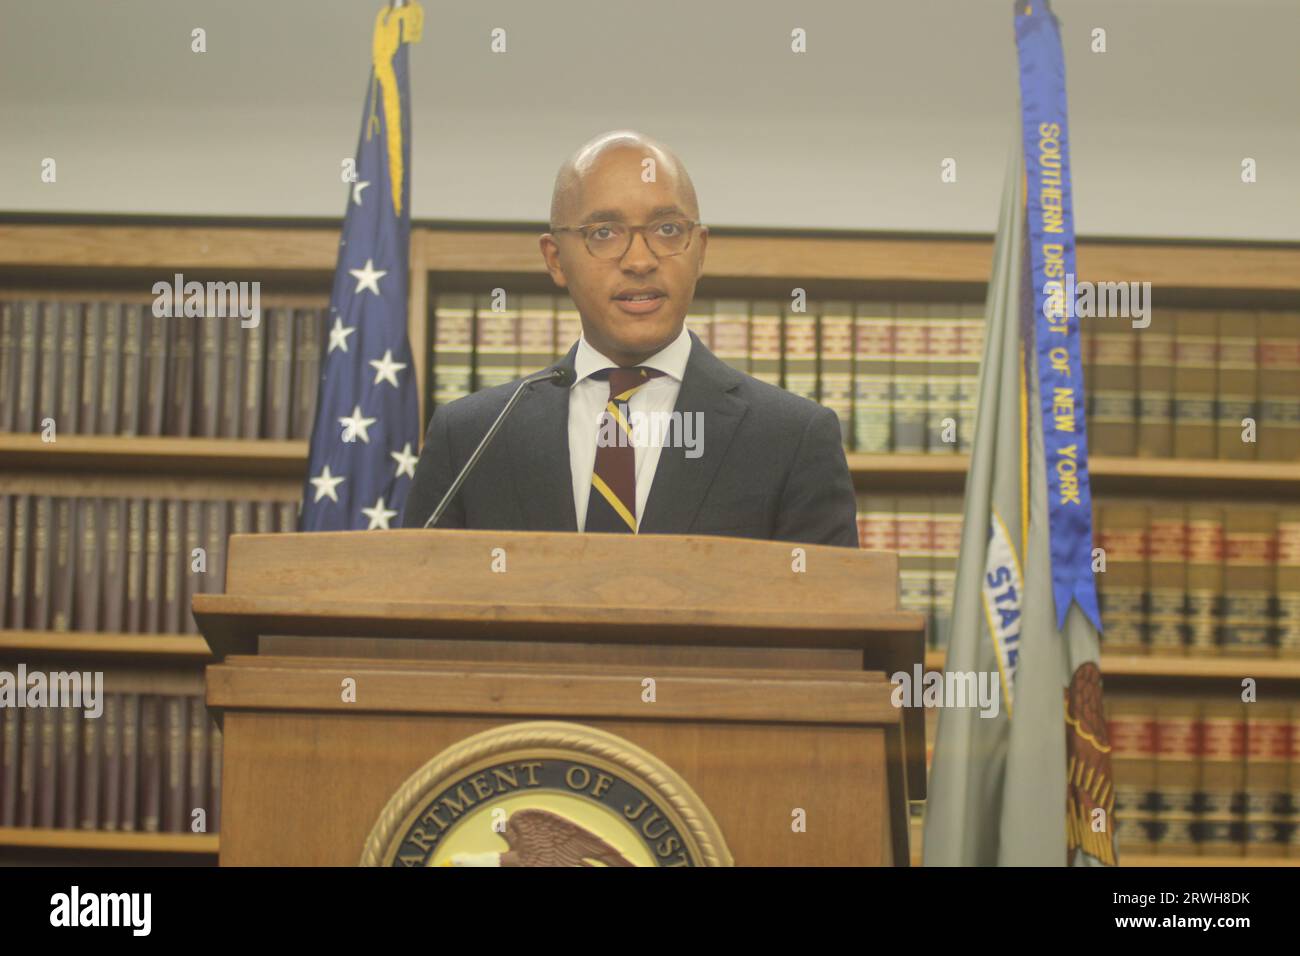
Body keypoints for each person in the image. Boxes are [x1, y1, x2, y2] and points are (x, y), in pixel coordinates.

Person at [402, 130, 858, 547]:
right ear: (555, 259)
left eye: (666, 230)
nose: (640, 260)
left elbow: (832, 626)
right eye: (603, 233)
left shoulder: (792, 438)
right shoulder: (470, 438)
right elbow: (416, 614)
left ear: (699, 250)